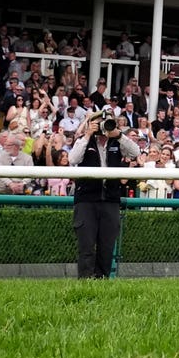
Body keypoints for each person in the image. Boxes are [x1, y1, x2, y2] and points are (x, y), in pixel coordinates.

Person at [68, 112, 139, 278]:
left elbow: (135, 152)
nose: (103, 127)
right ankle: (85, 282)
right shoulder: (84, 141)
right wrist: (87, 134)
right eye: (99, 124)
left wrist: (119, 134)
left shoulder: (116, 142)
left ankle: (103, 281)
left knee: (107, 247)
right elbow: (73, 159)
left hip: (111, 200)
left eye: (106, 123)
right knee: (86, 246)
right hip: (86, 199)